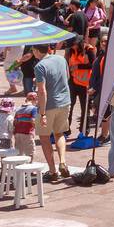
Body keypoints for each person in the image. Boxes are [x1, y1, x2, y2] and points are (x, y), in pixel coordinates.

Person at [34, 44, 72, 181]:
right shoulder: (61, 59)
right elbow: (66, 77)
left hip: (49, 105)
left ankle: (52, 170)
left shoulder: (40, 66)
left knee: (44, 137)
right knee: (59, 133)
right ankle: (62, 162)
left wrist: (42, 113)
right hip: (65, 101)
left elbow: (42, 91)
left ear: (37, 51)